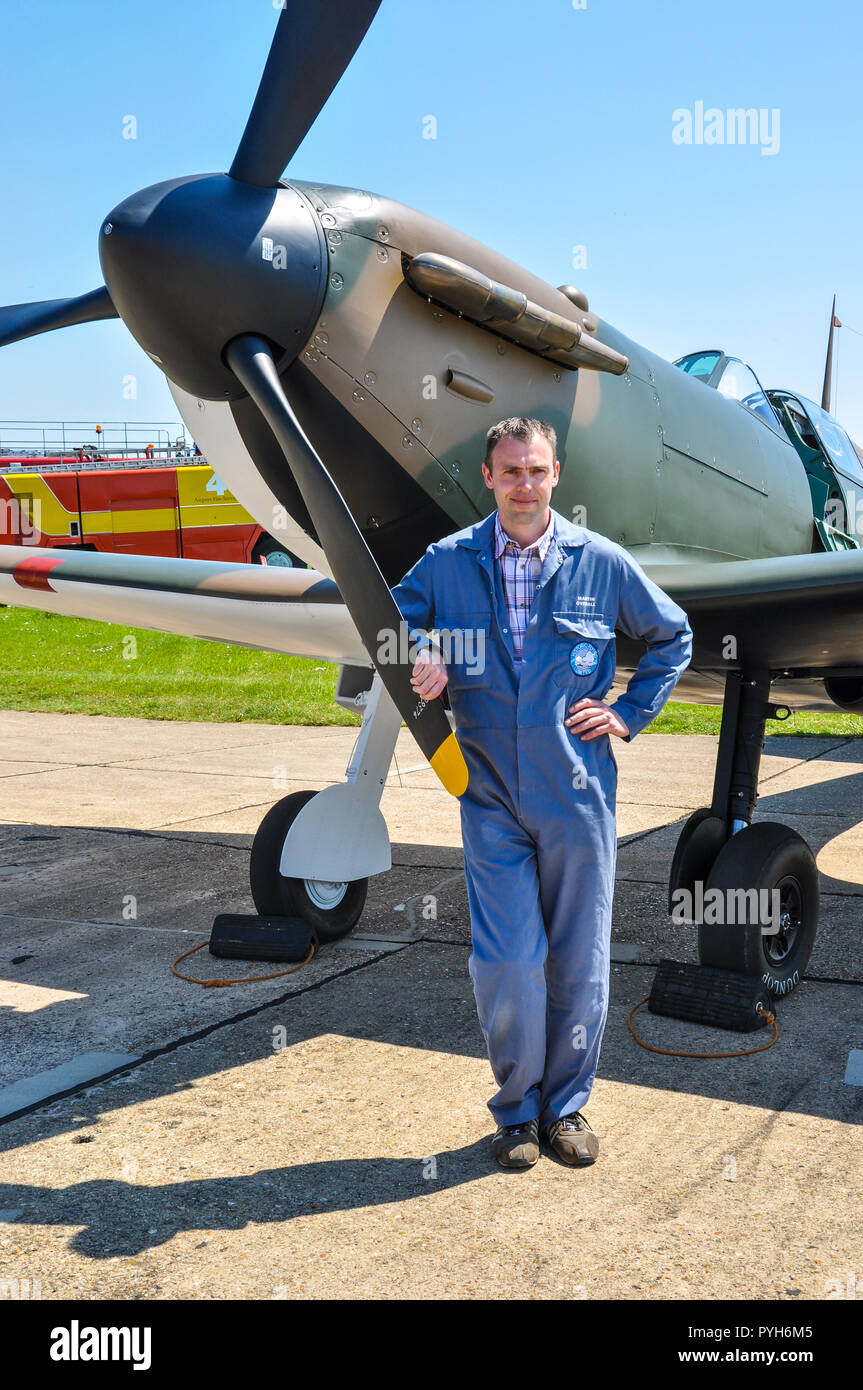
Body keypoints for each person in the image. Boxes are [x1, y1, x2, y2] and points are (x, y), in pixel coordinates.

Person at [390, 417, 692, 1169]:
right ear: (487, 478)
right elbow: (386, 619)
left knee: (578, 958)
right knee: (507, 962)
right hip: (488, 793)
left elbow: (673, 635)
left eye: (537, 471)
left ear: (555, 476)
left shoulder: (602, 562)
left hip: (576, 792)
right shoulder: (447, 561)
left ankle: (565, 1110)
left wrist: (626, 713)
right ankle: (515, 1113)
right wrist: (422, 651)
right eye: (510, 472)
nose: (524, 485)